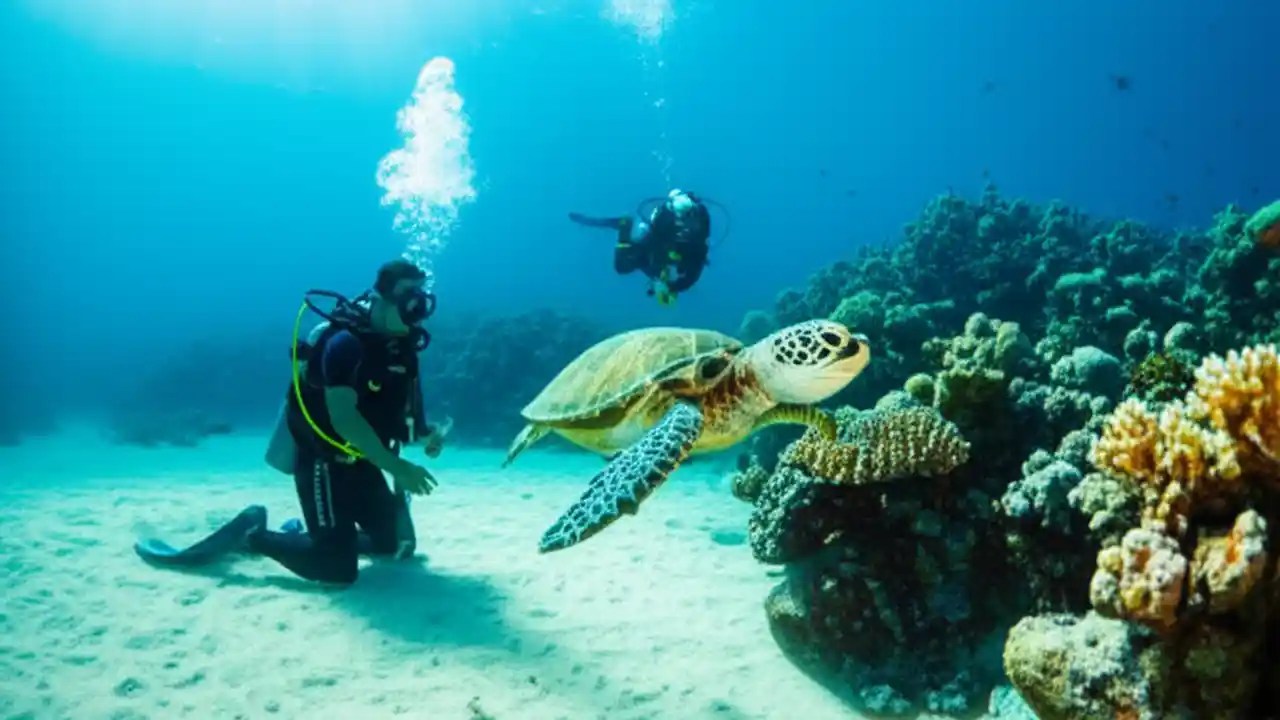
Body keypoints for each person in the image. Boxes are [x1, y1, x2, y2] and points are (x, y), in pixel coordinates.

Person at [249, 259, 446, 585]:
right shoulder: (345, 343)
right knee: (336, 570)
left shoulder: (403, 350)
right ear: (382, 297)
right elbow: (344, 419)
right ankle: (252, 532)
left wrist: (429, 435)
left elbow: (408, 416)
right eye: (408, 296)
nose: (417, 307)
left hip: (362, 458)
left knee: (394, 545)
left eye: (421, 297)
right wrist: (398, 469)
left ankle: (329, 534)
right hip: (323, 459)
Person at [569, 188, 712, 306]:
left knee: (649, 265)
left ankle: (597, 222)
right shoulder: (673, 233)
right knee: (623, 266)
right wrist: (669, 285)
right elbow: (690, 276)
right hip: (651, 244)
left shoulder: (695, 244)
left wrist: (669, 286)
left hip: (662, 253)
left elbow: (690, 277)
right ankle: (624, 226)